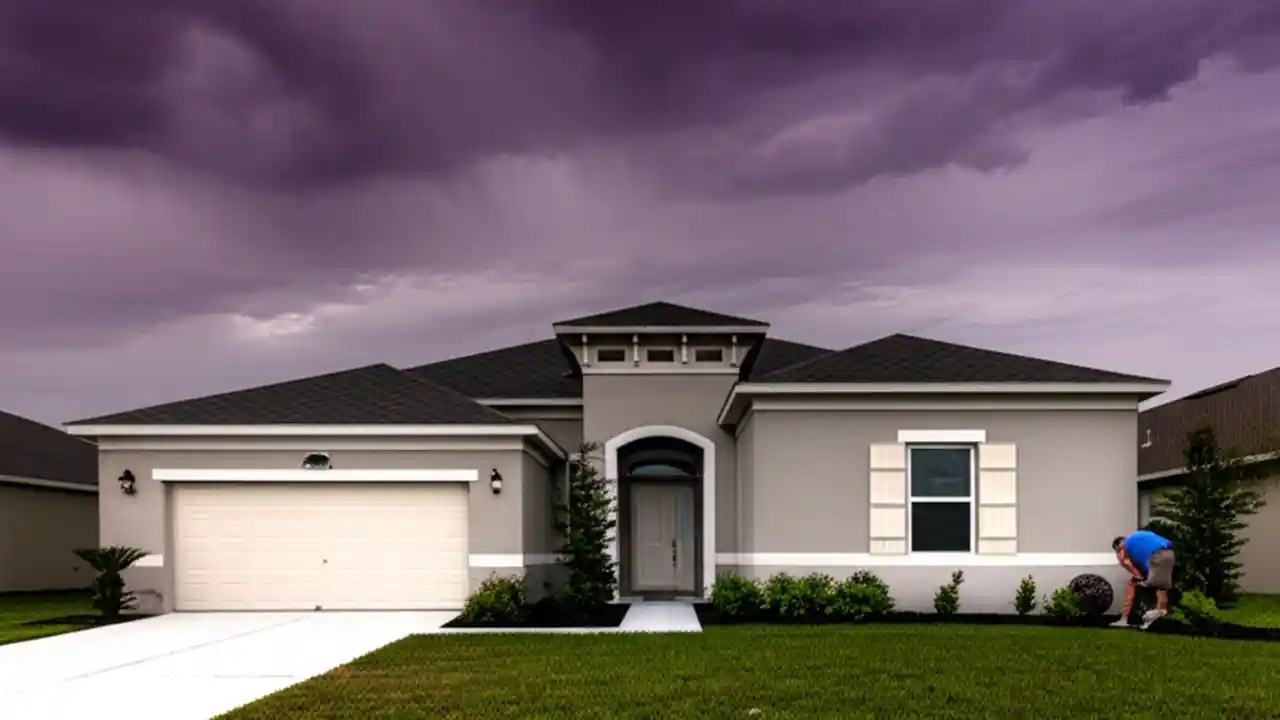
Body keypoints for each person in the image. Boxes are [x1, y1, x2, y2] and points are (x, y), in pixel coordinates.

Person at [1111, 530, 1175, 628]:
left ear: (1119, 546)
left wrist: (1137, 576)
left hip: (1156, 556)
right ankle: (1160, 614)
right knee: (1162, 587)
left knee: (1138, 585)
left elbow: (1125, 562)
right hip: (1169, 554)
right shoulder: (1139, 536)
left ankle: (1128, 618)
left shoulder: (1125, 546)